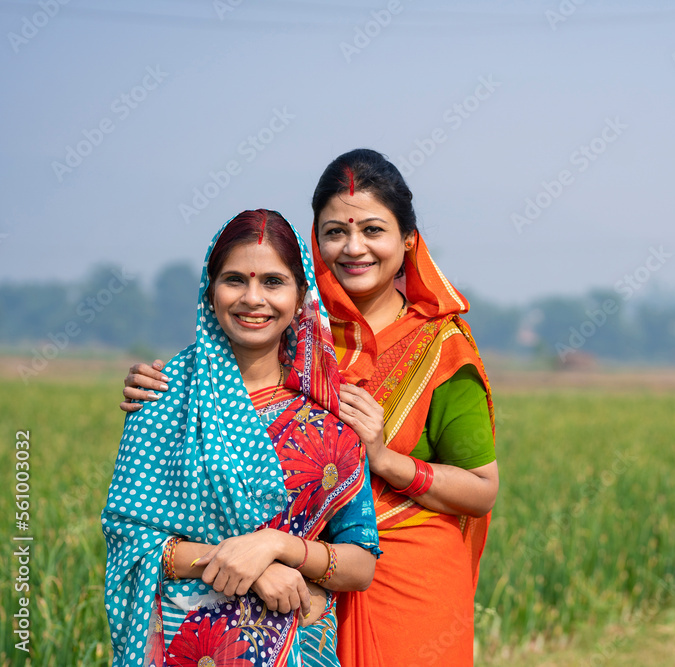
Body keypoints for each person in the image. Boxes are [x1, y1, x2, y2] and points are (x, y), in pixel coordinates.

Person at [122, 149, 499, 666]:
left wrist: (384, 460)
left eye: (373, 230)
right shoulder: (289, 329)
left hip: (402, 581)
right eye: (335, 232)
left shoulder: (440, 351)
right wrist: (161, 386)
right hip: (274, 591)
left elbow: (481, 489)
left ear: (408, 240)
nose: (354, 248)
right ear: (315, 242)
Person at [104, 210, 381, 667]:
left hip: (300, 646)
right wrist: (253, 569)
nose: (253, 299)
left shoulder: (330, 416)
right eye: (234, 280)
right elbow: (131, 541)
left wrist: (278, 546)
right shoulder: (162, 399)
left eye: (273, 282)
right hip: (185, 645)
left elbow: (361, 566)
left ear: (300, 296)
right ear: (209, 291)